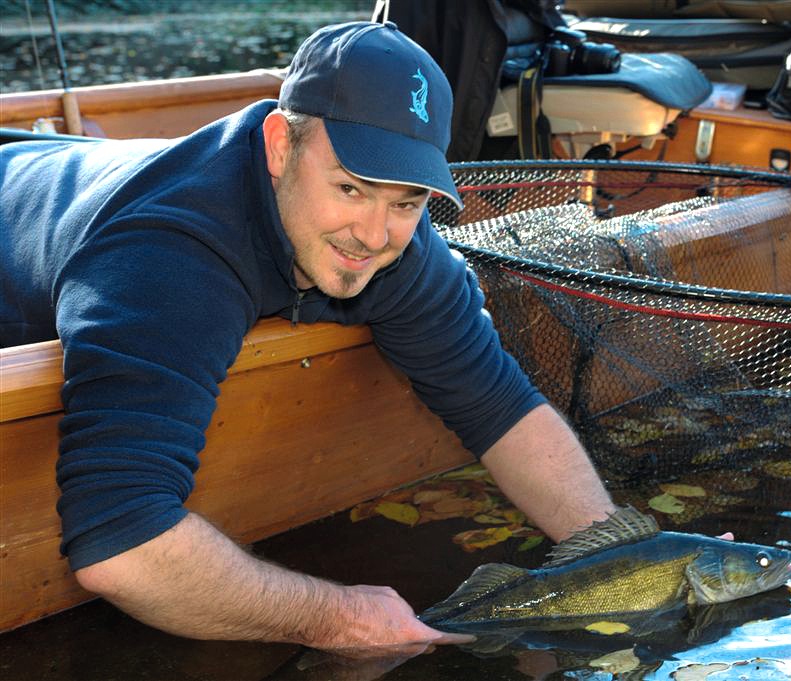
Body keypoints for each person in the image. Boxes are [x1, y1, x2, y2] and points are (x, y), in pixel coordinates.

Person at [0, 21, 615, 655]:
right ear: (278, 145)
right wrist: (336, 617)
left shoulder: (397, 245)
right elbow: (120, 543)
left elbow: (501, 407)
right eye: (351, 187)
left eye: (407, 201)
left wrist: (626, 554)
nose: (374, 235)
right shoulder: (169, 261)